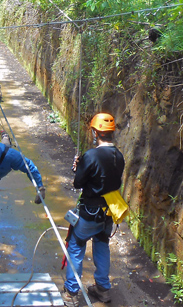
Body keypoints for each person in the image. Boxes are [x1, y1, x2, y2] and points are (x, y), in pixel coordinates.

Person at [61, 113, 125, 307]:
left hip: (90, 212)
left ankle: (71, 293)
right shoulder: (119, 156)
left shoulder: (91, 155)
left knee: (76, 246)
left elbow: (78, 182)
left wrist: (78, 168)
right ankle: (103, 289)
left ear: (96, 132)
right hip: (108, 213)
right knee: (102, 244)